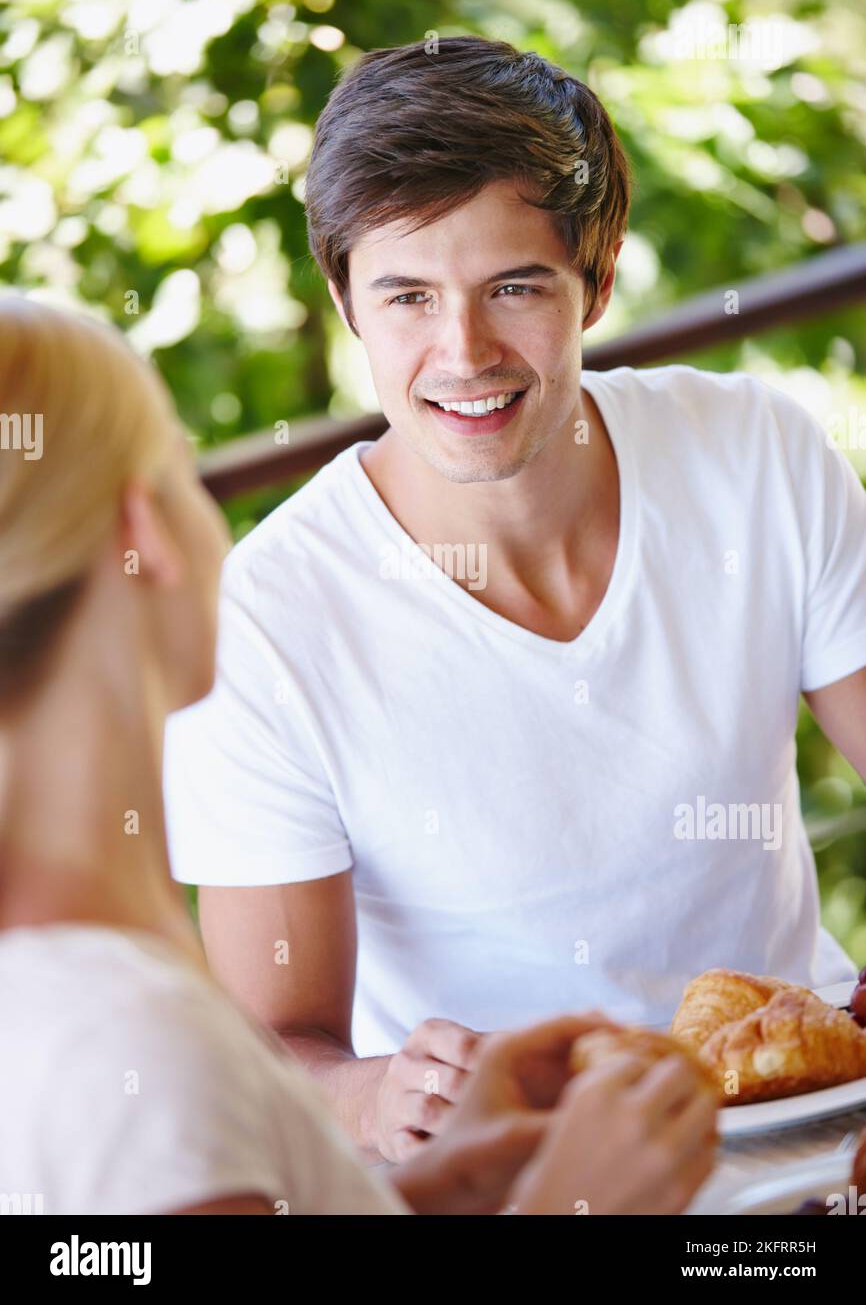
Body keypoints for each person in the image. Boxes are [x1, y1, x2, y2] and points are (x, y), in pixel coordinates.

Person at [164, 35, 866, 1163]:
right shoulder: (265, 624)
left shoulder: (756, 457)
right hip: (516, 1179)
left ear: (594, 277)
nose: (463, 352)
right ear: (344, 299)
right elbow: (270, 1048)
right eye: (406, 296)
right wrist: (373, 1092)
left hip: (809, 1134)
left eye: (513, 287)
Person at [0, 295, 717, 1215]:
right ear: (145, 536)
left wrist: (448, 1185)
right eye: (183, 471)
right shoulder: (134, 1041)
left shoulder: (67, 988)